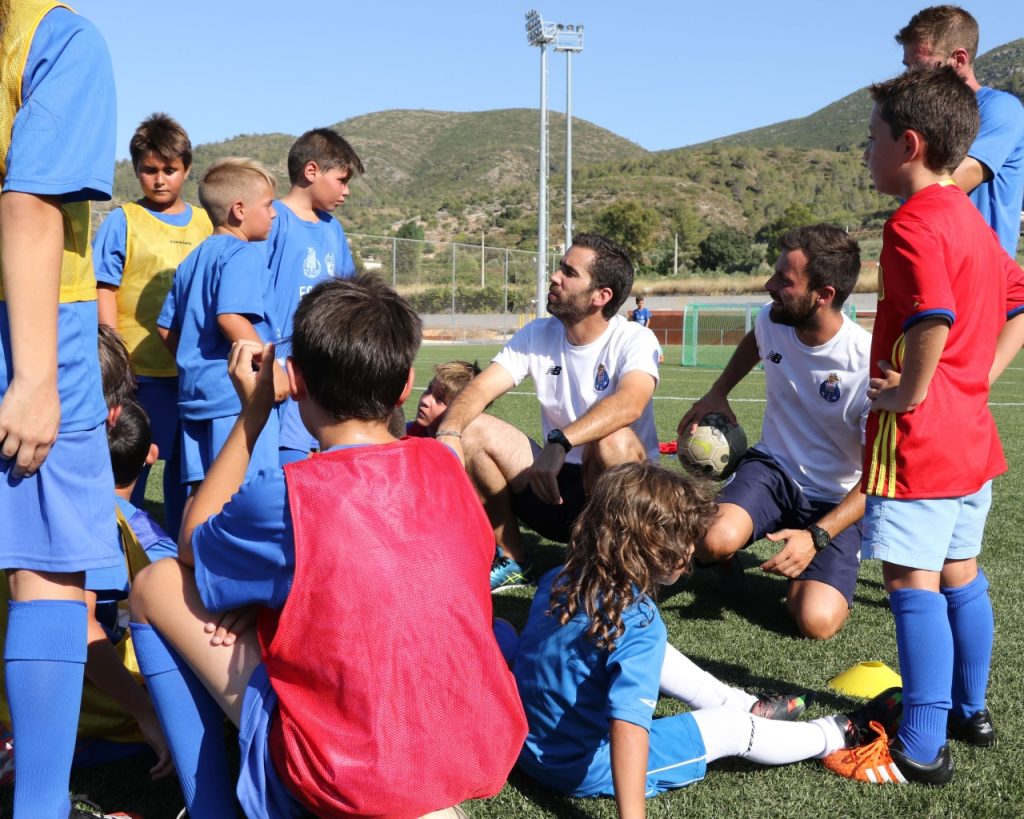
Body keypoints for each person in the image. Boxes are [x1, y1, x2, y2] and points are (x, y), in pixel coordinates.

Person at [129, 275, 527, 817]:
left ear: (294, 380)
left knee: (155, 585)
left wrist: (254, 414)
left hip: (350, 772)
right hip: (473, 746)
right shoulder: (446, 466)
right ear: (406, 385)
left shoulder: (290, 494)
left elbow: (192, 544)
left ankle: (210, 807)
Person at [822, 67, 1024, 786]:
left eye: (871, 140)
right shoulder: (970, 216)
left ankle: (920, 743)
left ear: (908, 144)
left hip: (923, 442)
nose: (865, 152)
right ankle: (970, 710)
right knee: (962, 574)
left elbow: (932, 313)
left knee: (912, 583)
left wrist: (908, 391)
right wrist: (979, 379)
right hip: (971, 435)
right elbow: (1018, 299)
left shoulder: (911, 222)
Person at [512, 461, 901, 813]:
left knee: (640, 651)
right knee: (732, 729)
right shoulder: (640, 622)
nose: (691, 553)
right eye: (683, 540)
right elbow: (627, 729)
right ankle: (837, 732)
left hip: (528, 745)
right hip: (580, 767)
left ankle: (744, 703)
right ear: (651, 546)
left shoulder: (562, 578)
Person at [0, 1, 123, 815]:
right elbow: (33, 203)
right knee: (46, 567)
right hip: (37, 323)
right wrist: (36, 376)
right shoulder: (57, 31)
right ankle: (38, 804)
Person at [439, 233, 661, 592]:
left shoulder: (634, 339)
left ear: (600, 296)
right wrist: (446, 435)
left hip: (622, 492)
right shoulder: (537, 334)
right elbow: (479, 389)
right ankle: (513, 558)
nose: (555, 277)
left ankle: (621, 567)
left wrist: (559, 442)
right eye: (560, 268)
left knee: (614, 440)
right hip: (553, 488)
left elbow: (629, 403)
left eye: (569, 272)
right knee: (473, 429)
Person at [678, 224, 870, 640]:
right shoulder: (774, 319)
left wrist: (816, 537)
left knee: (817, 622)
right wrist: (718, 392)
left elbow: (878, 479)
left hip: (835, 499)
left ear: (825, 295)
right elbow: (756, 340)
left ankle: (808, 572)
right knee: (713, 540)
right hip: (774, 470)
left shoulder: (867, 365)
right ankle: (725, 557)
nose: (768, 286)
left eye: (785, 280)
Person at [94, 113, 213, 536]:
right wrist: (116, 358)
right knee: (132, 467)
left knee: (189, 472)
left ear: (186, 168)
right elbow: (103, 288)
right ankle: (122, 548)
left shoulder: (206, 223)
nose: (160, 179)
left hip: (190, 374)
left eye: (169, 170)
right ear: (136, 169)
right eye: (150, 170)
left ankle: (184, 553)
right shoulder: (122, 221)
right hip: (138, 377)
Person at [156, 158, 288, 490]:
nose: (274, 214)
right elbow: (230, 318)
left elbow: (165, 328)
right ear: (239, 210)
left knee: (202, 494)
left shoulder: (191, 260)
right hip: (236, 401)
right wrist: (271, 372)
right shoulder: (242, 254)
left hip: (196, 397)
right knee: (246, 494)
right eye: (269, 205)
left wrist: (195, 362)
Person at [263, 128, 362, 466]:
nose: (346, 191)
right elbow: (252, 296)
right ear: (311, 171)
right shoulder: (272, 220)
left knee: (313, 455)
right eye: (342, 180)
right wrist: (269, 359)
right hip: (278, 363)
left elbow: (348, 294)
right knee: (275, 460)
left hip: (320, 363)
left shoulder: (333, 228)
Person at [897, 5, 1024, 257]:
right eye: (907, 66)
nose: (909, 77)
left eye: (920, 66)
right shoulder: (922, 119)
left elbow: (954, 182)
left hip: (986, 285)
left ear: (959, 59)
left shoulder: (1001, 109)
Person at [406, 360, 481, 438]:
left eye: (440, 399)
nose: (425, 400)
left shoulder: (467, 447)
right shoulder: (406, 433)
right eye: (429, 389)